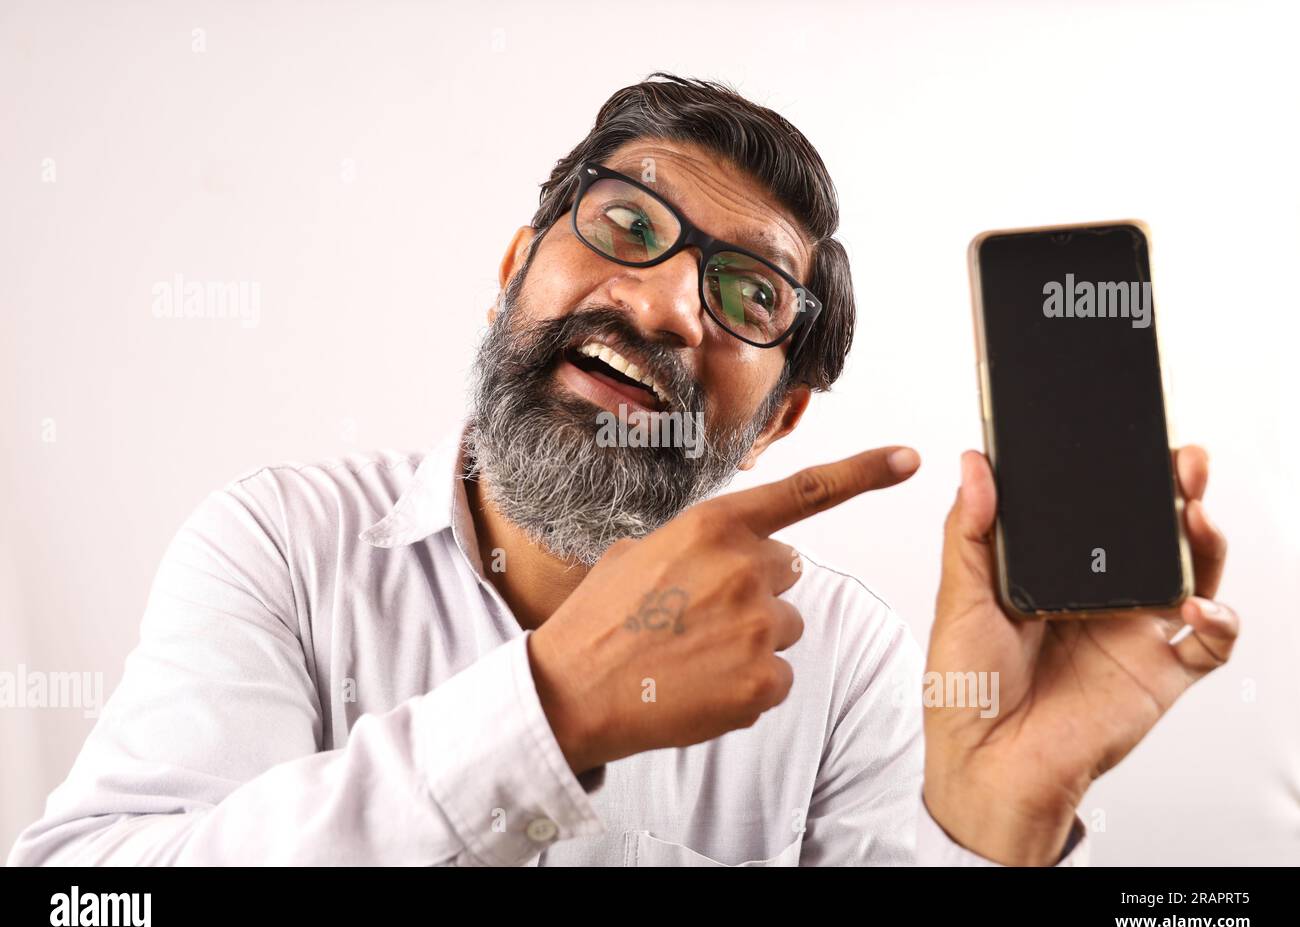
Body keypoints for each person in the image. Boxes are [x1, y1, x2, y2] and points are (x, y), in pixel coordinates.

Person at [7, 73, 1238, 866]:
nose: (660, 304)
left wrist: (998, 826)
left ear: (785, 412)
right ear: (512, 271)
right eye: (628, 226)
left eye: (746, 293)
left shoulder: (844, 660)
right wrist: (544, 716)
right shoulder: (280, 544)